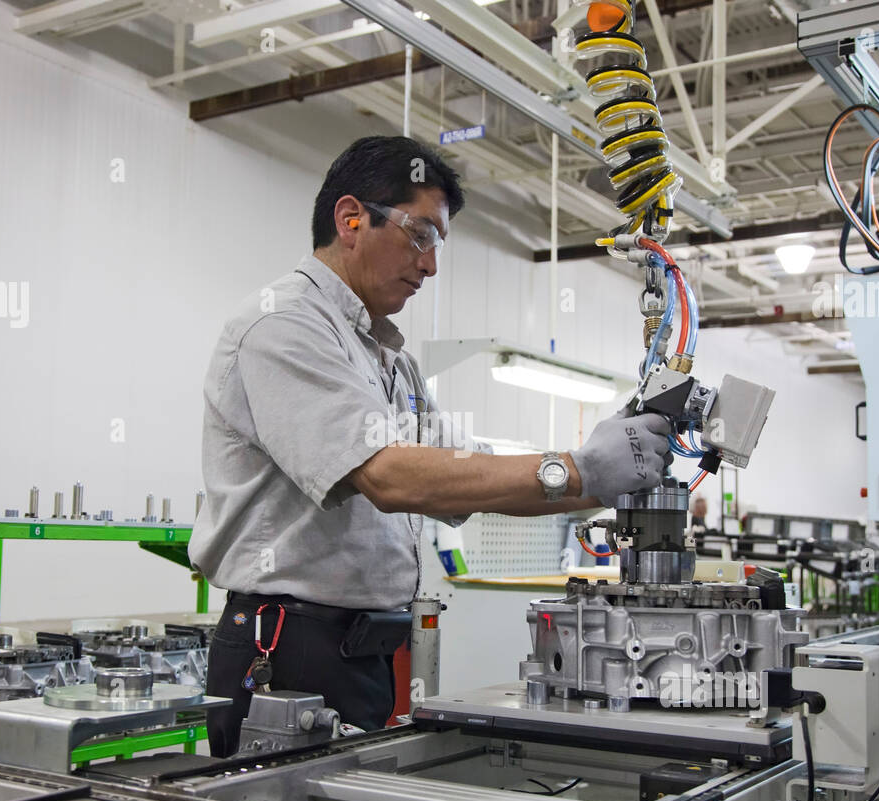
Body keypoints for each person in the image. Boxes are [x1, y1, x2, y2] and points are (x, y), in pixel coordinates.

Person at [189, 136, 672, 757]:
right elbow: (391, 478)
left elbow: (464, 475)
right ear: (350, 219)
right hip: (284, 650)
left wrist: (599, 478)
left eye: (438, 244)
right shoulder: (284, 325)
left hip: (359, 649)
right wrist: (576, 467)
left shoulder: (390, 359)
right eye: (421, 235)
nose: (431, 265)